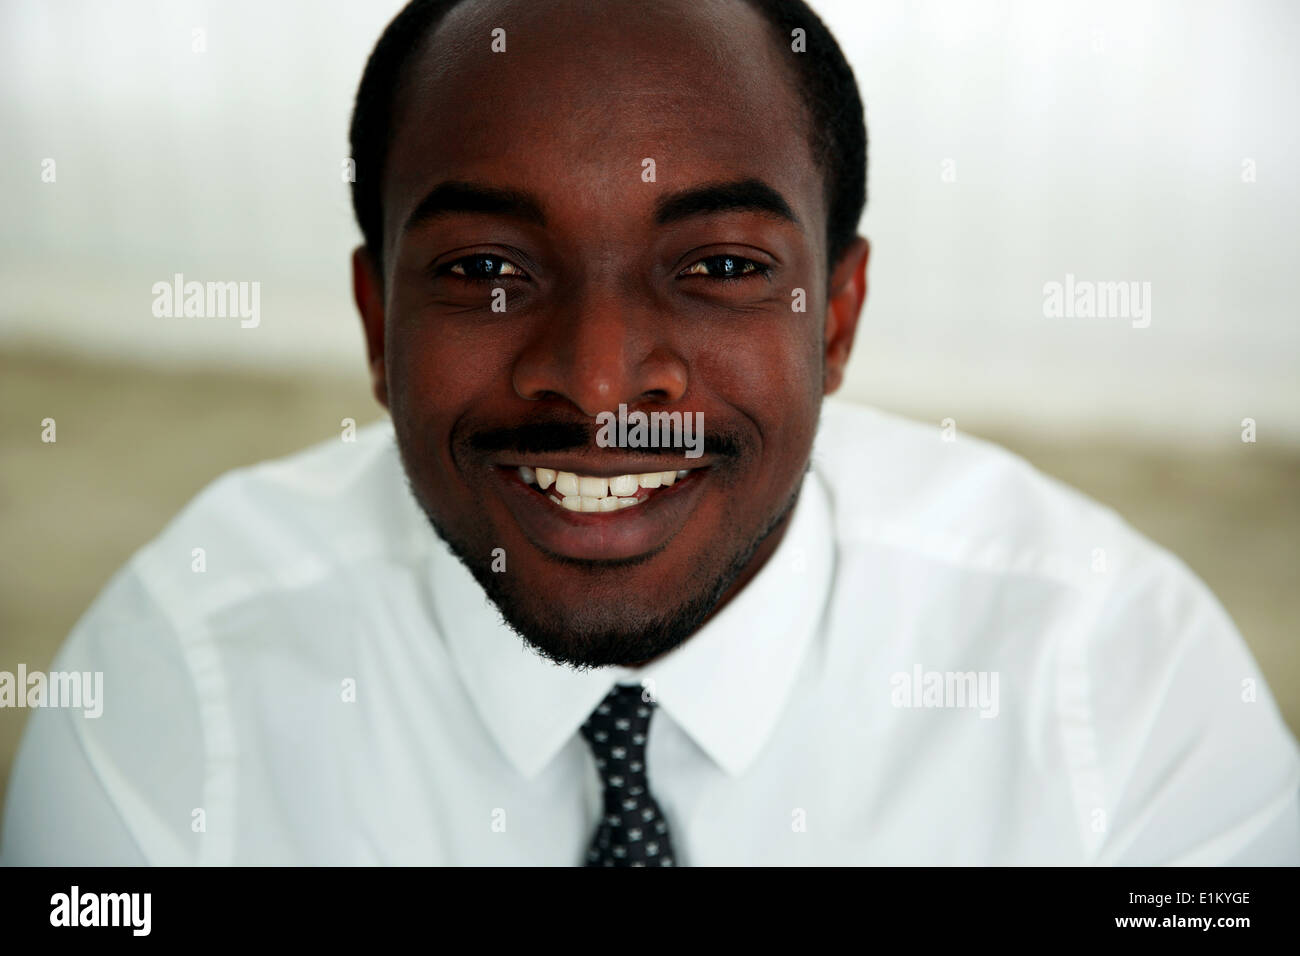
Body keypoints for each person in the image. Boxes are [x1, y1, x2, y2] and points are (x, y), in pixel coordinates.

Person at [3, 0, 1297, 866]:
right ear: (376, 322)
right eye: (490, 271)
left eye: (722, 265)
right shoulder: (181, 685)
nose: (600, 378)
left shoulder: (1117, 693)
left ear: (837, 317)